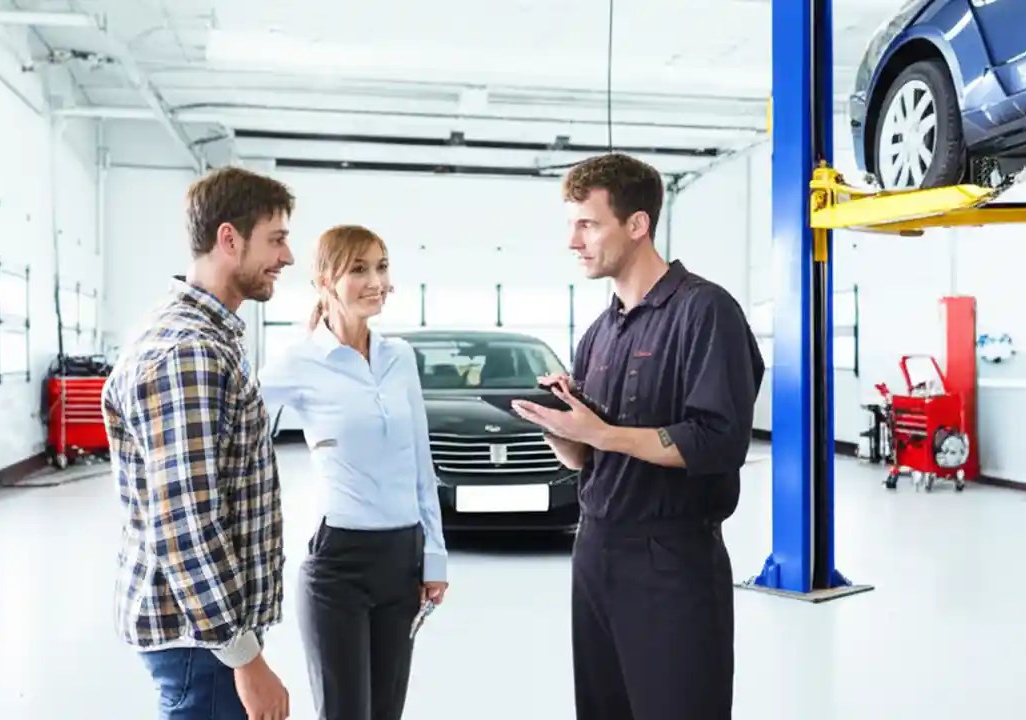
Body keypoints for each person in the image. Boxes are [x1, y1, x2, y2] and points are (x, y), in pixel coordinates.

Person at [511, 153, 764, 720]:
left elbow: (717, 440)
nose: (573, 241)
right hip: (596, 548)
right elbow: (584, 459)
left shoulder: (705, 311)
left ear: (637, 224)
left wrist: (604, 431)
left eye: (588, 224)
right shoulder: (600, 330)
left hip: (670, 556)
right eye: (571, 224)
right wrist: (563, 426)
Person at [102, 166, 296, 719]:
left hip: (205, 634)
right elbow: (186, 522)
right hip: (201, 640)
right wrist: (243, 656)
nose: (287, 257)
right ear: (228, 239)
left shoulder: (209, 336)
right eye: (276, 239)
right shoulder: (188, 351)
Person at [258, 225, 449, 720]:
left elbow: (419, 460)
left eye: (382, 267)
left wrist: (434, 556)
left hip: (402, 558)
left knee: (387, 713)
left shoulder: (400, 356)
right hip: (338, 562)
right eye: (359, 268)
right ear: (324, 280)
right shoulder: (299, 361)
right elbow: (231, 420)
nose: (376, 281)